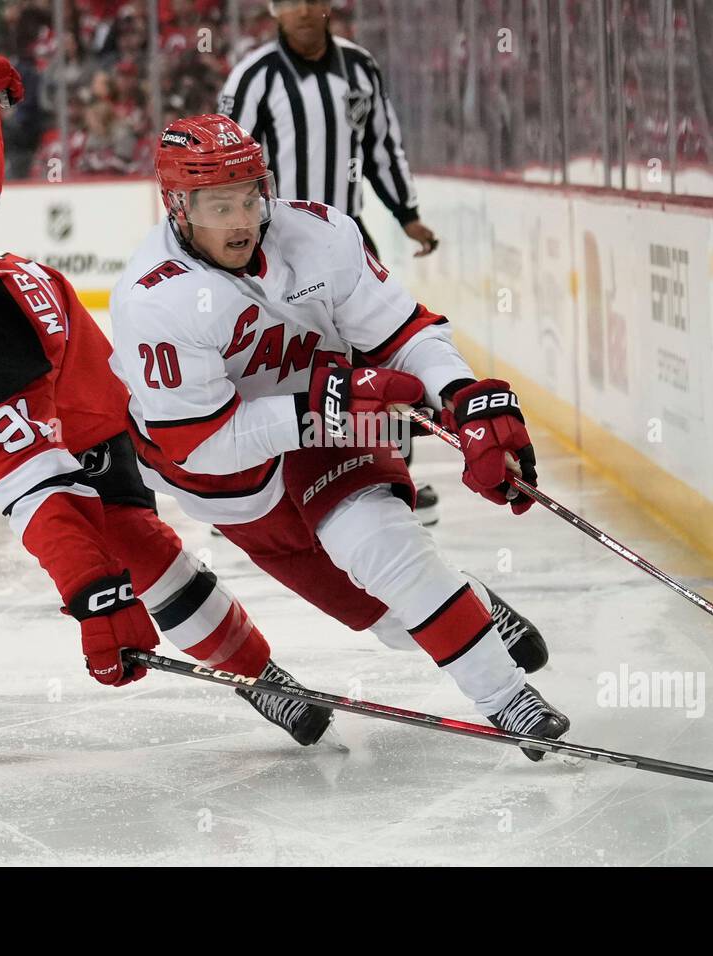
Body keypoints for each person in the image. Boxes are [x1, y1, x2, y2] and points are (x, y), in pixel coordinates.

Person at [0, 55, 331, 751]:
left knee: (141, 552)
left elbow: (47, 505)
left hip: (73, 407)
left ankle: (261, 674)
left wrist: (98, 595)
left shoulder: (4, 372)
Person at [109, 115, 566, 759]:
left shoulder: (320, 232)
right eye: (219, 206)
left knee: (384, 549)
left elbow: (405, 334)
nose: (242, 220)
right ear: (179, 208)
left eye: (249, 197)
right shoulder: (153, 299)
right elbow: (201, 444)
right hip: (226, 476)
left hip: (330, 421)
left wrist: (461, 396)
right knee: (381, 615)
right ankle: (476, 605)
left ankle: (508, 701)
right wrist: (319, 405)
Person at [219, 0, 442, 522]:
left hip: (350, 237)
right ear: (275, 9)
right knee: (293, 359)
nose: (301, 10)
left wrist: (407, 213)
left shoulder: (360, 67)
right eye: (289, 1)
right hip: (276, 245)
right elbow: (223, 162)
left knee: (376, 356)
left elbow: (384, 145)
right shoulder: (254, 76)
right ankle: (285, 478)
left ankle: (391, 472)